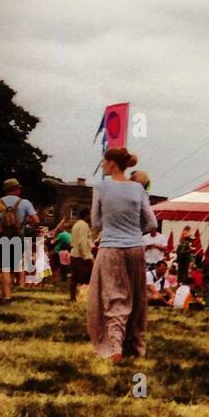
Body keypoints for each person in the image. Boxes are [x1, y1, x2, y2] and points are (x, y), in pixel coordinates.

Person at [86, 147, 159, 363]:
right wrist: (134, 231)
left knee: (113, 296)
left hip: (110, 248)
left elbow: (96, 222)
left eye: (104, 161)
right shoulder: (139, 190)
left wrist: (112, 226)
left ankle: (114, 345)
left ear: (112, 164)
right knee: (136, 297)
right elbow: (152, 223)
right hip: (135, 248)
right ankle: (134, 344)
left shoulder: (100, 187)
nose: (102, 165)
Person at [0, 178, 39, 302]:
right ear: (16, 189)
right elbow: (36, 221)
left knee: (4, 267)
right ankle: (8, 295)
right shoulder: (25, 203)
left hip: (2, 237)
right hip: (18, 238)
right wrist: (25, 223)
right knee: (12, 267)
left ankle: (5, 295)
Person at [68, 208, 93, 303]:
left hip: (74, 254)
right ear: (87, 215)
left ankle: (73, 298)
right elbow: (82, 242)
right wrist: (87, 256)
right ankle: (84, 298)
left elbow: (72, 241)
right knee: (87, 278)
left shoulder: (76, 224)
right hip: (82, 256)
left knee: (74, 278)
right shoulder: (84, 225)